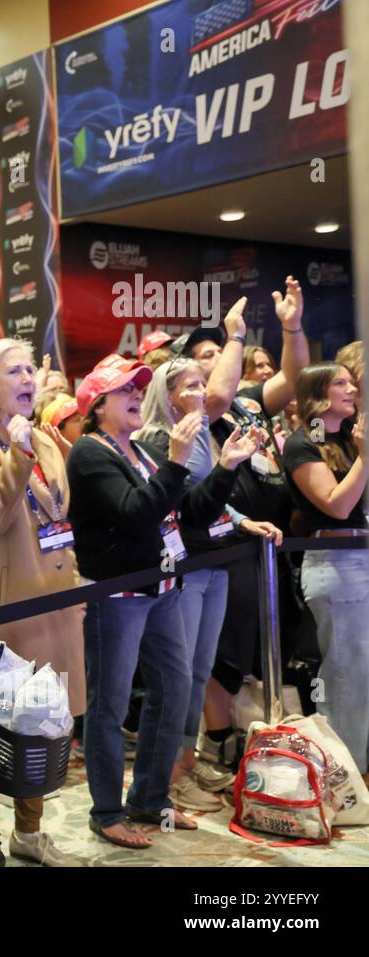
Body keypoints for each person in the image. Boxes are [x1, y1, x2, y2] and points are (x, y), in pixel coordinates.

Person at [66, 354, 257, 849]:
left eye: (138, 388)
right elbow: (137, 513)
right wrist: (176, 460)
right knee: (108, 706)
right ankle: (107, 810)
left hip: (163, 586)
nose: (135, 395)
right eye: (124, 390)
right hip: (120, 594)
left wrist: (226, 468)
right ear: (98, 405)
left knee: (174, 690)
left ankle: (150, 798)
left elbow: (189, 514)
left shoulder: (139, 452)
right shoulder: (90, 452)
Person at [0, 339, 83, 866]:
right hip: (11, 611)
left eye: (31, 369)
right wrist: (17, 457)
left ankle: (28, 832)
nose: (29, 378)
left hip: (55, 599)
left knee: (49, 723)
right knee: (9, 725)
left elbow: (62, 515)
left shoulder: (49, 439)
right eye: (15, 371)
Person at [134, 357, 277, 812]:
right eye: (191, 385)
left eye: (202, 383)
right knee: (177, 677)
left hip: (214, 562)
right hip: (185, 566)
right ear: (169, 394)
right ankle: (170, 776)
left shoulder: (200, 435)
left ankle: (188, 763)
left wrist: (241, 518)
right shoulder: (158, 440)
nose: (202, 390)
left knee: (200, 671)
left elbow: (215, 500)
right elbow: (187, 503)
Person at [187, 281, 310, 768]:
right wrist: (235, 336)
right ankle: (219, 741)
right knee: (225, 650)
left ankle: (258, 735)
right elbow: (217, 393)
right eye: (208, 354)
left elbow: (295, 377)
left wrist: (291, 326)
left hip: (269, 545)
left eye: (223, 351)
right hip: (227, 546)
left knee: (265, 643)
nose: (220, 358)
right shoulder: (200, 409)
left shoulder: (250, 403)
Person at [283, 362, 367, 782]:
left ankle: (357, 767)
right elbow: (336, 503)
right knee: (348, 672)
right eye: (341, 383)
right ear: (318, 394)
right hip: (337, 560)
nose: (353, 388)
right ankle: (348, 774)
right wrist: (365, 458)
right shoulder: (304, 442)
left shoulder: (346, 439)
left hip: (359, 556)